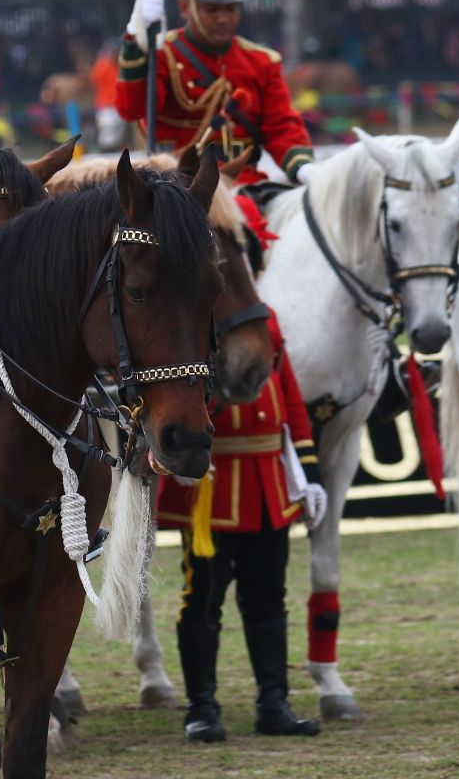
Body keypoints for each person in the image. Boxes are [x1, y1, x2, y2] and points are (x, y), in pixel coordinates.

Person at [157, 304, 325, 743]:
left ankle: (274, 704)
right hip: (214, 483)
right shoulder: (190, 317)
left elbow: (289, 394)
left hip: (268, 481)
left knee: (269, 598)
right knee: (202, 600)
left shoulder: (264, 319)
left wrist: (310, 471)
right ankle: (202, 708)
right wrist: (178, 453)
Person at [115, 0, 314, 184]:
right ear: (185, 8)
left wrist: (303, 168)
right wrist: (137, 40)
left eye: (231, 9)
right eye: (211, 10)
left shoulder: (261, 62)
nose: (223, 19)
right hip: (178, 188)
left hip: (245, 186)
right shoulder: (164, 55)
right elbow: (132, 108)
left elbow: (281, 126)